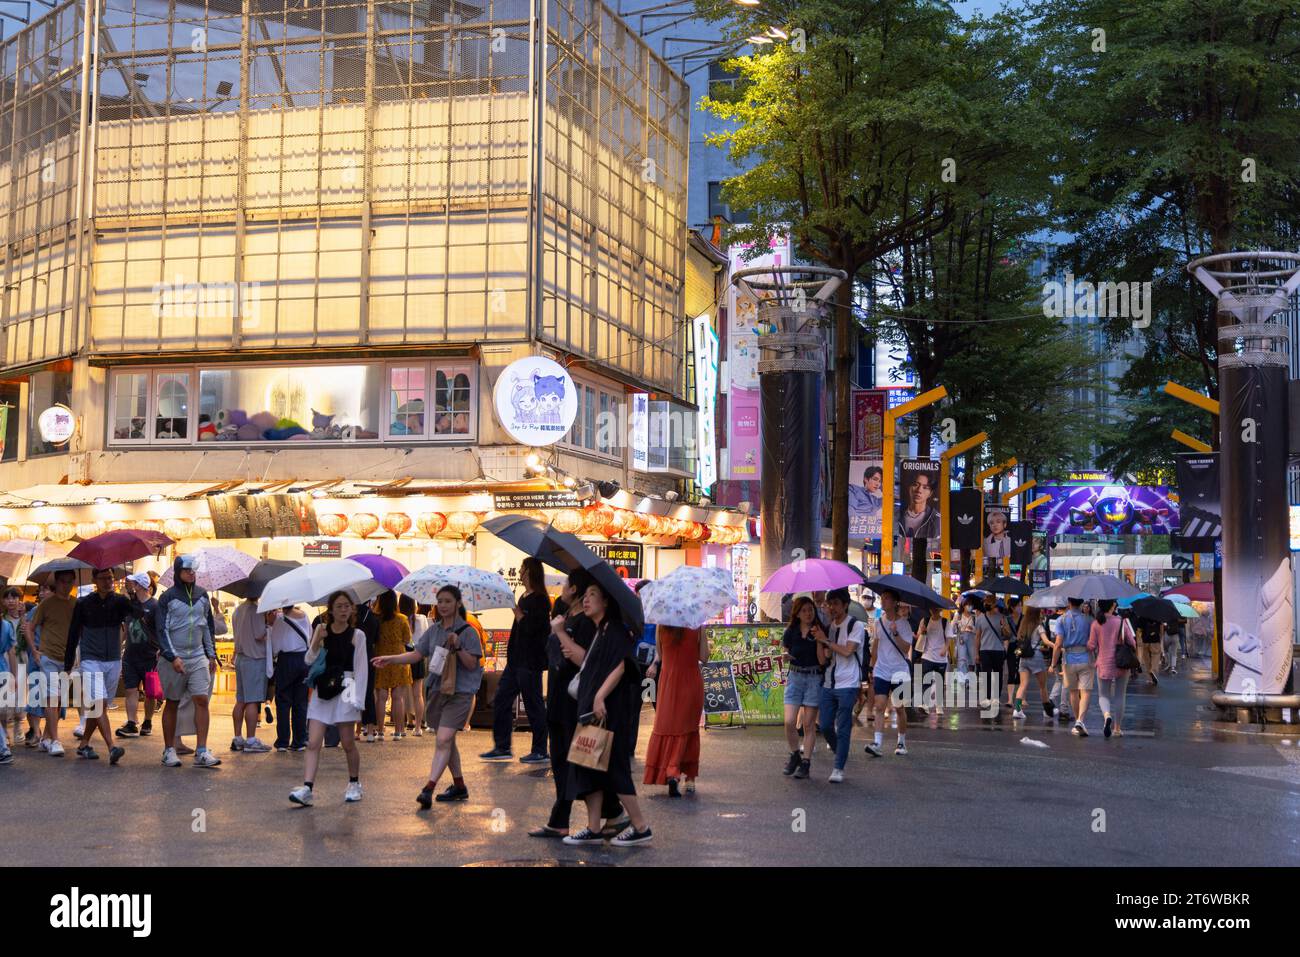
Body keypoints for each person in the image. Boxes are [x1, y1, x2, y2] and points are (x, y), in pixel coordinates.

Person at [529, 571, 625, 838]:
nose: (562, 587)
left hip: (576, 702)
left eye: (565, 583)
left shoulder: (586, 623)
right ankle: (613, 813)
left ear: (574, 589)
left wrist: (560, 634)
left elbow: (590, 662)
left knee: (580, 763)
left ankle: (575, 818)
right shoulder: (567, 616)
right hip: (559, 699)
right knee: (565, 762)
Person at [560, 581, 653, 847]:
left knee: (614, 768)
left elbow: (624, 665)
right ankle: (593, 827)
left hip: (608, 710)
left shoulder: (615, 631)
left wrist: (600, 695)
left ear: (606, 602)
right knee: (588, 766)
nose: (586, 600)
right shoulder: (600, 630)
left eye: (592, 596)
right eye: (585, 595)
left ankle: (640, 826)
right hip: (592, 711)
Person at [373, 585, 482, 808]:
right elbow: (417, 654)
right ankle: (459, 787)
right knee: (447, 740)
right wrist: (391, 659)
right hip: (437, 691)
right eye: (440, 601)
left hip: (460, 693)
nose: (442, 605)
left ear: (458, 604)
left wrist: (459, 646)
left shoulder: (469, 632)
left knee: (442, 739)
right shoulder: (433, 631)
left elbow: (472, 664)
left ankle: (428, 789)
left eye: (448, 601)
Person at [290, 591, 367, 805]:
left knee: (347, 742)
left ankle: (354, 783)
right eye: (339, 606)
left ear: (352, 609)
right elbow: (308, 659)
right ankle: (307, 788)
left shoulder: (357, 635)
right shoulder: (321, 629)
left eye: (347, 606)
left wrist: (358, 699)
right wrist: (317, 641)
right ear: (331, 610)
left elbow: (361, 668)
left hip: (346, 689)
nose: (343, 610)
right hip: (323, 689)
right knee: (313, 741)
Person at [482, 556, 550, 763]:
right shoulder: (524, 596)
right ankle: (502, 746)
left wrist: (515, 610)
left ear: (530, 571)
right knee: (501, 699)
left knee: (534, 705)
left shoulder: (540, 599)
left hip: (530, 662)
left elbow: (531, 629)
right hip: (515, 661)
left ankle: (540, 750)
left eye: (522, 569)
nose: (519, 572)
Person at [156, 555, 221, 769]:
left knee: (202, 700)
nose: (191, 573)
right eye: (187, 570)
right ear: (178, 572)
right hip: (173, 657)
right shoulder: (167, 598)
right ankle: (169, 749)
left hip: (198, 656)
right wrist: (172, 656)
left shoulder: (202, 595)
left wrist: (211, 654)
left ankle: (202, 750)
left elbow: (208, 627)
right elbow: (162, 630)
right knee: (172, 702)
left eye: (193, 570)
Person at [63, 568, 132, 765]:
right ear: (94, 580)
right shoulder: (84, 603)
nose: (107, 581)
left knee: (99, 706)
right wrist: (68, 664)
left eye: (110, 578)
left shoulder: (119, 601)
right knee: (100, 704)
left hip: (113, 660)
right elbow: (74, 633)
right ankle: (112, 747)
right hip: (90, 659)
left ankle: (84, 744)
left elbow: (137, 614)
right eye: (103, 578)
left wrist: (131, 596)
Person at [644, 624, 708, 795]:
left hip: (668, 682)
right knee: (689, 729)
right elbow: (704, 657)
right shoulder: (697, 625)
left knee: (668, 727)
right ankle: (690, 779)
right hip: (691, 682)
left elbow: (662, 655)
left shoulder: (661, 625)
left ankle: (671, 771)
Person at [816, 588, 866, 783]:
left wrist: (826, 641)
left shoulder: (856, 626)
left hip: (849, 683)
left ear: (845, 605)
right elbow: (827, 657)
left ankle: (838, 767)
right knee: (826, 725)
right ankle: (840, 751)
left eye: (836, 603)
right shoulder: (829, 627)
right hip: (829, 682)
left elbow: (847, 651)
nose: (832, 608)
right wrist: (820, 641)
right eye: (830, 604)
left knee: (843, 726)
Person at [25, 570, 77, 757]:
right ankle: (55, 740)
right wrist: (35, 651)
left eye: (70, 581)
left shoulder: (75, 604)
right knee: (51, 699)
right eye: (63, 581)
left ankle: (46, 738)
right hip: (48, 657)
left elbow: (78, 631)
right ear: (57, 582)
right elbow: (29, 629)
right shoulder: (46, 603)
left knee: (59, 700)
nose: (67, 585)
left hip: (67, 659)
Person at [865, 588, 912, 757]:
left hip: (900, 670)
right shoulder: (878, 622)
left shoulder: (904, 624)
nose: (882, 601)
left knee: (899, 708)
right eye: (882, 598)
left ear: (894, 602)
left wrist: (895, 632)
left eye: (886, 599)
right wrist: (872, 666)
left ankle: (901, 741)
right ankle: (877, 743)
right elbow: (876, 646)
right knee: (879, 706)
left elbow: (906, 648)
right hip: (882, 670)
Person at [780, 596, 822, 779]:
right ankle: (795, 754)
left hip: (814, 677)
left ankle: (806, 762)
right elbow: (786, 650)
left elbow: (822, 659)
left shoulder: (819, 631)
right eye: (804, 610)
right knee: (789, 721)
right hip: (795, 676)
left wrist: (821, 639)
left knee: (808, 724)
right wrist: (785, 656)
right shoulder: (791, 631)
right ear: (797, 613)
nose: (808, 613)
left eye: (810, 610)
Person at [117, 573, 159, 739]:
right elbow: (125, 630)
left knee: (150, 692)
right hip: (130, 656)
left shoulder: (155, 606)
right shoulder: (129, 606)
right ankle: (131, 723)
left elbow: (161, 629)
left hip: (150, 655)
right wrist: (118, 648)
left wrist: (162, 649)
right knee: (130, 689)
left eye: (132, 583)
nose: (129, 585)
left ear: (140, 585)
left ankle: (147, 721)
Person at [1088, 599, 1137, 739]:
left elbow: (1091, 646)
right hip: (1121, 662)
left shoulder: (1096, 623)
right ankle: (1117, 728)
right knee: (1120, 695)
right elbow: (1132, 642)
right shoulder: (1121, 621)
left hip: (1103, 663)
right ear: (1113, 605)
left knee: (1103, 695)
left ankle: (1106, 715)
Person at [230, 594, 272, 753]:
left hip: (241, 658)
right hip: (254, 658)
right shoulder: (256, 610)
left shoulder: (238, 610)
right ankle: (251, 739)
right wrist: (269, 623)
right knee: (253, 701)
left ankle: (238, 737)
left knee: (240, 700)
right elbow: (259, 635)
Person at [269, 604, 312, 751]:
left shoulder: (280, 619)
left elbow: (275, 645)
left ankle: (283, 741)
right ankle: (300, 741)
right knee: (300, 702)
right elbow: (310, 638)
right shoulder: (304, 615)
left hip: (286, 660)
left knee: (283, 700)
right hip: (304, 660)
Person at [372, 590, 412, 740]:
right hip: (398, 659)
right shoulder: (402, 619)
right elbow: (407, 640)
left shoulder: (376, 619)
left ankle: (380, 731)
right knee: (398, 697)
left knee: (381, 697)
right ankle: (398, 731)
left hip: (381, 659)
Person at [19, 582, 52, 748]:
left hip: (55, 656)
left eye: (46, 589)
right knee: (34, 695)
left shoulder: (62, 610)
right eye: (42, 589)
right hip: (36, 655)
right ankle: (36, 731)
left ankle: (49, 734)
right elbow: (26, 632)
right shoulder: (33, 611)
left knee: (53, 697)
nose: (43, 592)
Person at [1012, 605, 1056, 720]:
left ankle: (1017, 710)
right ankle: (1047, 711)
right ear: (1036, 613)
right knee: (1043, 686)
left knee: (1022, 685)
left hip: (1023, 657)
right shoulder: (1039, 626)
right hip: (1035, 656)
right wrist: (1057, 646)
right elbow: (1046, 641)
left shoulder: (1023, 625)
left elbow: (1019, 640)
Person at [973, 594, 1011, 712]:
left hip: (998, 650)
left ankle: (996, 697)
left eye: (988, 603)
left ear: (994, 604)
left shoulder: (1002, 617)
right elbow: (977, 637)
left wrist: (1004, 627)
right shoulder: (980, 618)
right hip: (985, 650)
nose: (986, 604)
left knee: (998, 674)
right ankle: (988, 697)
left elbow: (1007, 635)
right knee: (986, 674)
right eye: (985, 602)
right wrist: (977, 653)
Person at [916, 606, 948, 726]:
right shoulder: (924, 621)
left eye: (936, 608)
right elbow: (919, 635)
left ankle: (939, 706)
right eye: (932, 608)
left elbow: (949, 638)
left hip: (941, 658)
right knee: (926, 681)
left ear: (940, 609)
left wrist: (945, 649)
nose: (933, 610)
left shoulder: (945, 622)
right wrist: (922, 631)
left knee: (939, 681)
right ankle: (925, 704)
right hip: (927, 655)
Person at [400, 595, 427, 735]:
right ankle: (418, 728)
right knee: (418, 694)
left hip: (404, 656)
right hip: (419, 655)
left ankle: (403, 727)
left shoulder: (400, 619)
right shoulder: (422, 618)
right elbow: (426, 637)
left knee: (403, 694)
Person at [896, 470, 941, 541]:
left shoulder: (937, 520)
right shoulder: (895, 514)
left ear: (930, 493)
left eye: (925, 487)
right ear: (909, 488)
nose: (919, 490)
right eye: (915, 484)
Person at [0, 594, 18, 765]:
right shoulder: (6, 625)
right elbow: (11, 652)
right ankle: (4, 740)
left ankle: (3, 747)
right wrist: (13, 675)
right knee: (3, 711)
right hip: (4, 670)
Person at [1136, 615, 1163, 686]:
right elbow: (1161, 628)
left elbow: (1139, 630)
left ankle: (1149, 678)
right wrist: (1161, 636)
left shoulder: (1142, 616)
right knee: (1156, 655)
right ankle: (1153, 670)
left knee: (1146, 659)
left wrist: (1139, 639)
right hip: (1155, 640)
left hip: (1145, 640)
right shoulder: (1157, 616)